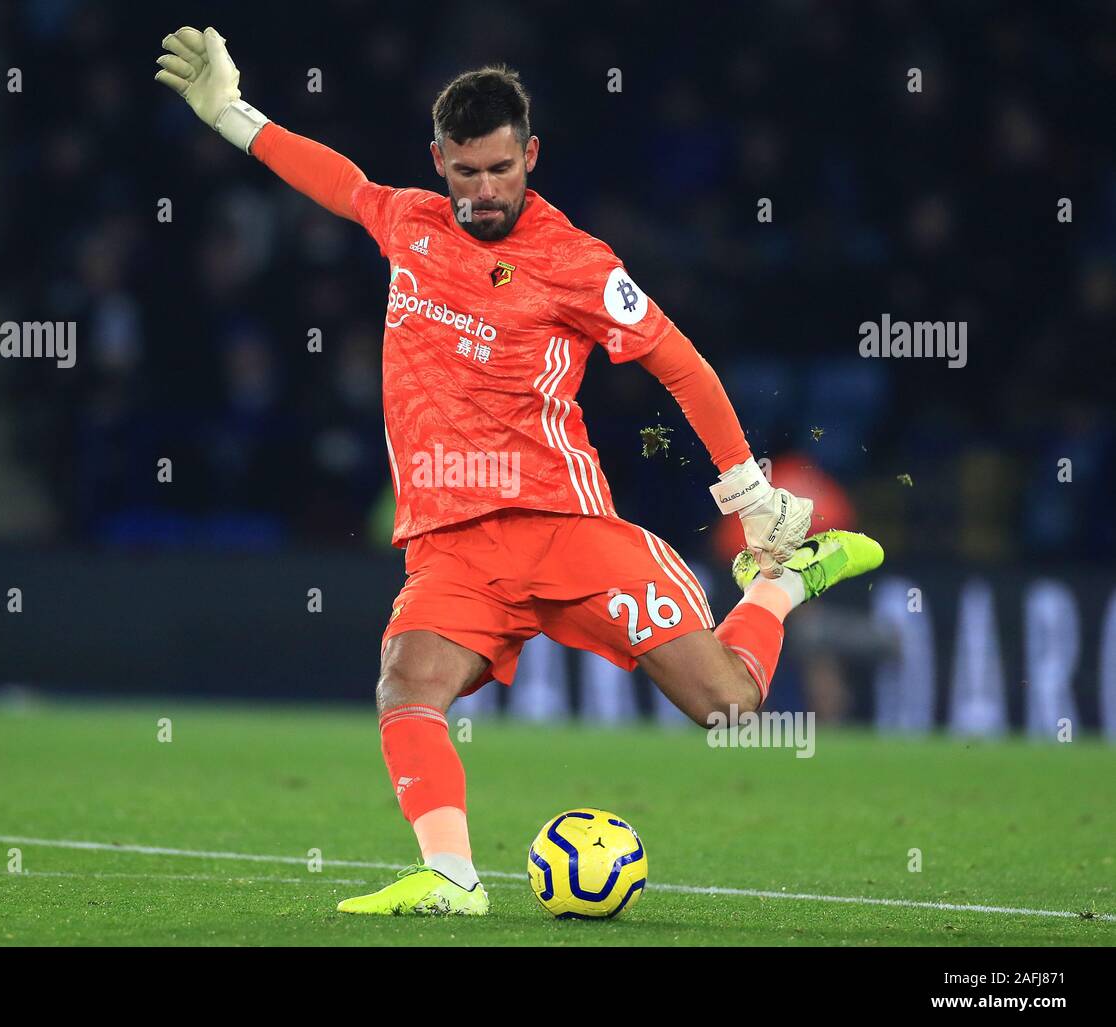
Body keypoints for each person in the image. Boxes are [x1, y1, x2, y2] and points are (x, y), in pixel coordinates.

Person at [155, 27, 882, 916]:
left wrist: (746, 489)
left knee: (727, 708)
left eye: (501, 169)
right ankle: (454, 878)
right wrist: (231, 115)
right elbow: (336, 181)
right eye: (466, 173)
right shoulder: (409, 222)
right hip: (453, 547)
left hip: (564, 530)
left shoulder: (577, 263)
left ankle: (778, 584)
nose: (485, 190)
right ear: (440, 163)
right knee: (406, 685)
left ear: (529, 155)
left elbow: (680, 363)